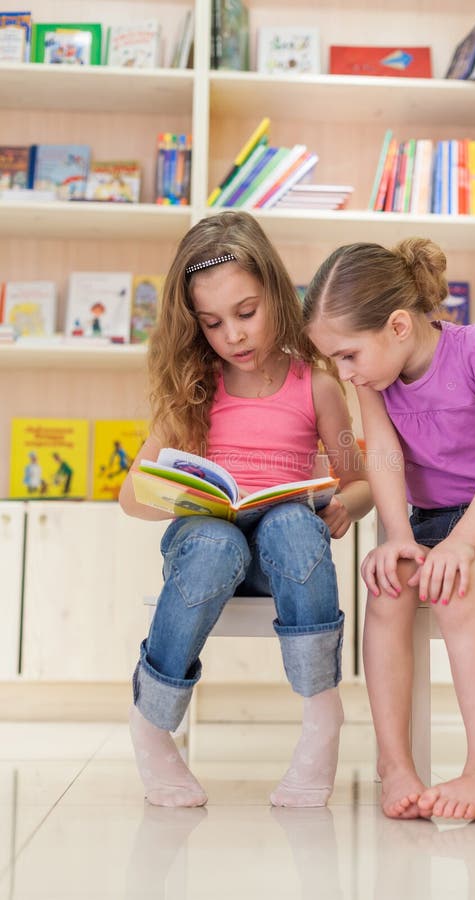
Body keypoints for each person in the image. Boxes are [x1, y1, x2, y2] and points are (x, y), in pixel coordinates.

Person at [303, 237, 475, 822]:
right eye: (336, 361)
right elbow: (386, 458)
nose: (345, 373)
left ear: (398, 326)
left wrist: (463, 543)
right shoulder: (375, 381)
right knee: (389, 586)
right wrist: (398, 536)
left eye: (348, 356)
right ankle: (394, 764)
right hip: (429, 525)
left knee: (460, 585)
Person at [119, 211, 371, 809]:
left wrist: (345, 508)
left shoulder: (317, 384)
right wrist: (181, 496)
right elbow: (132, 496)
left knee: (289, 523)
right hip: (206, 551)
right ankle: (152, 724)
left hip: (284, 556)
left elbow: (359, 480)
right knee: (214, 541)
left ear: (277, 293)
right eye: (212, 323)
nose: (233, 334)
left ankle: (322, 720)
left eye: (247, 312)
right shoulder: (194, 387)